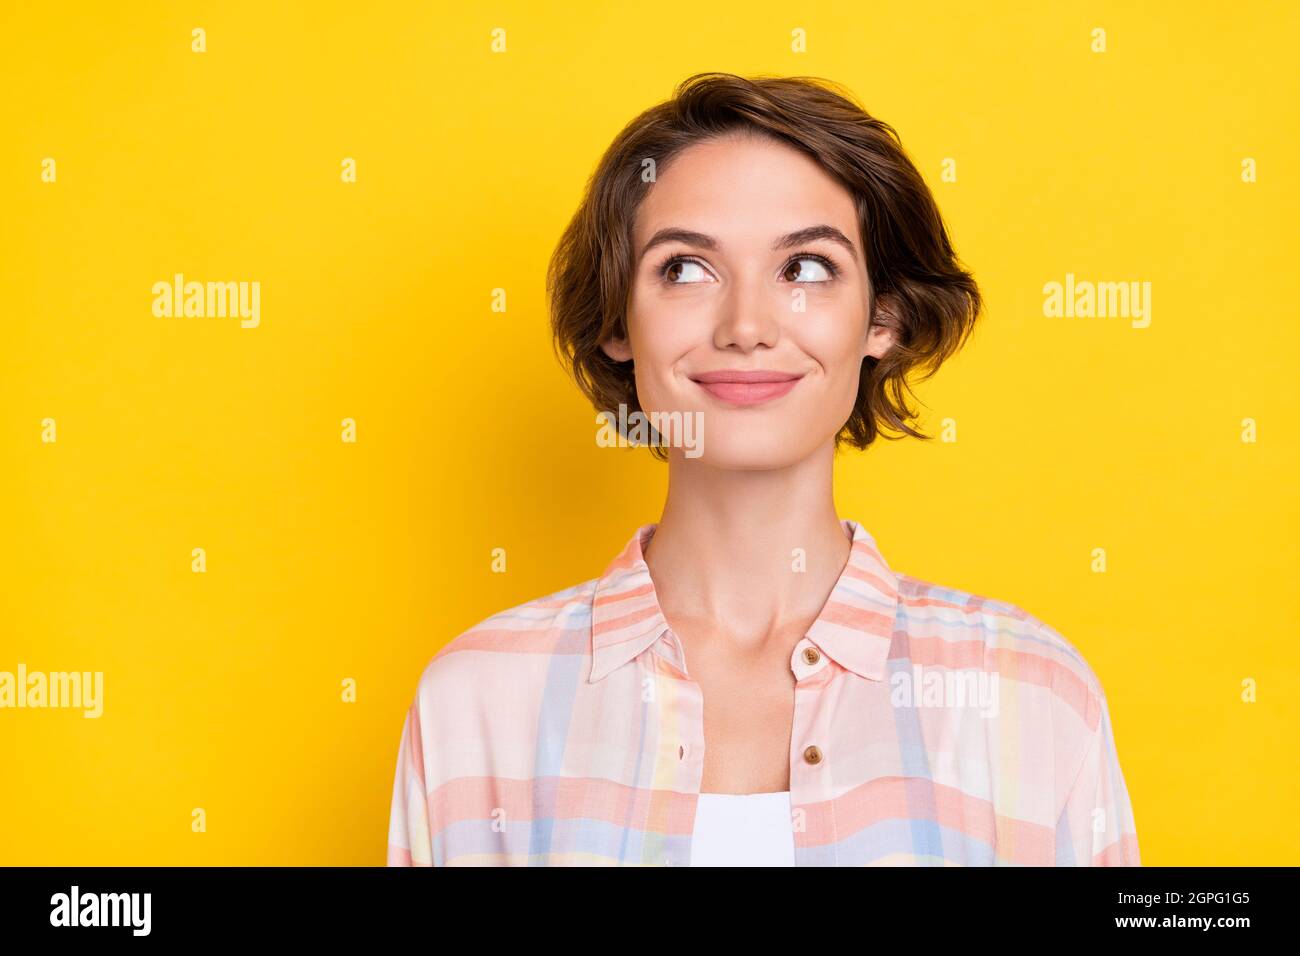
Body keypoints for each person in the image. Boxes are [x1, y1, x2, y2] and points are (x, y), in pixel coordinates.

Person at [387, 72, 1140, 866]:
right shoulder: (475, 702)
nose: (746, 326)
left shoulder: (1031, 695)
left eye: (807, 268)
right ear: (617, 320)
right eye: (684, 268)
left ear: (882, 315)